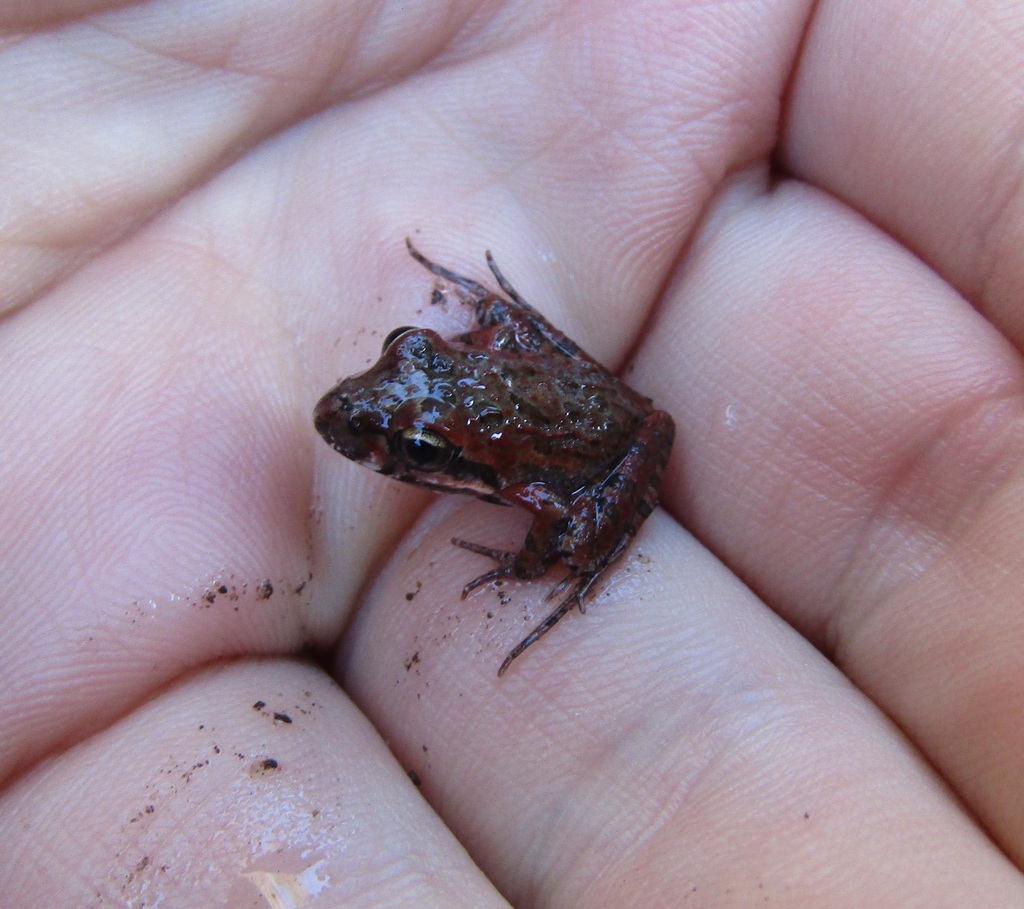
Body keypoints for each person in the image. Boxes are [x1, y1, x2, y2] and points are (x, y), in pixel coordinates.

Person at [2, 1, 1023, 904]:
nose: (371, 430)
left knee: (576, 523)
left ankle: (573, 547)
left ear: (441, 462)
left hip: (600, 440)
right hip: (551, 389)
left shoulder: (519, 472)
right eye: (398, 405)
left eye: (398, 444)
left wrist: (540, 564)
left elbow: (557, 492)